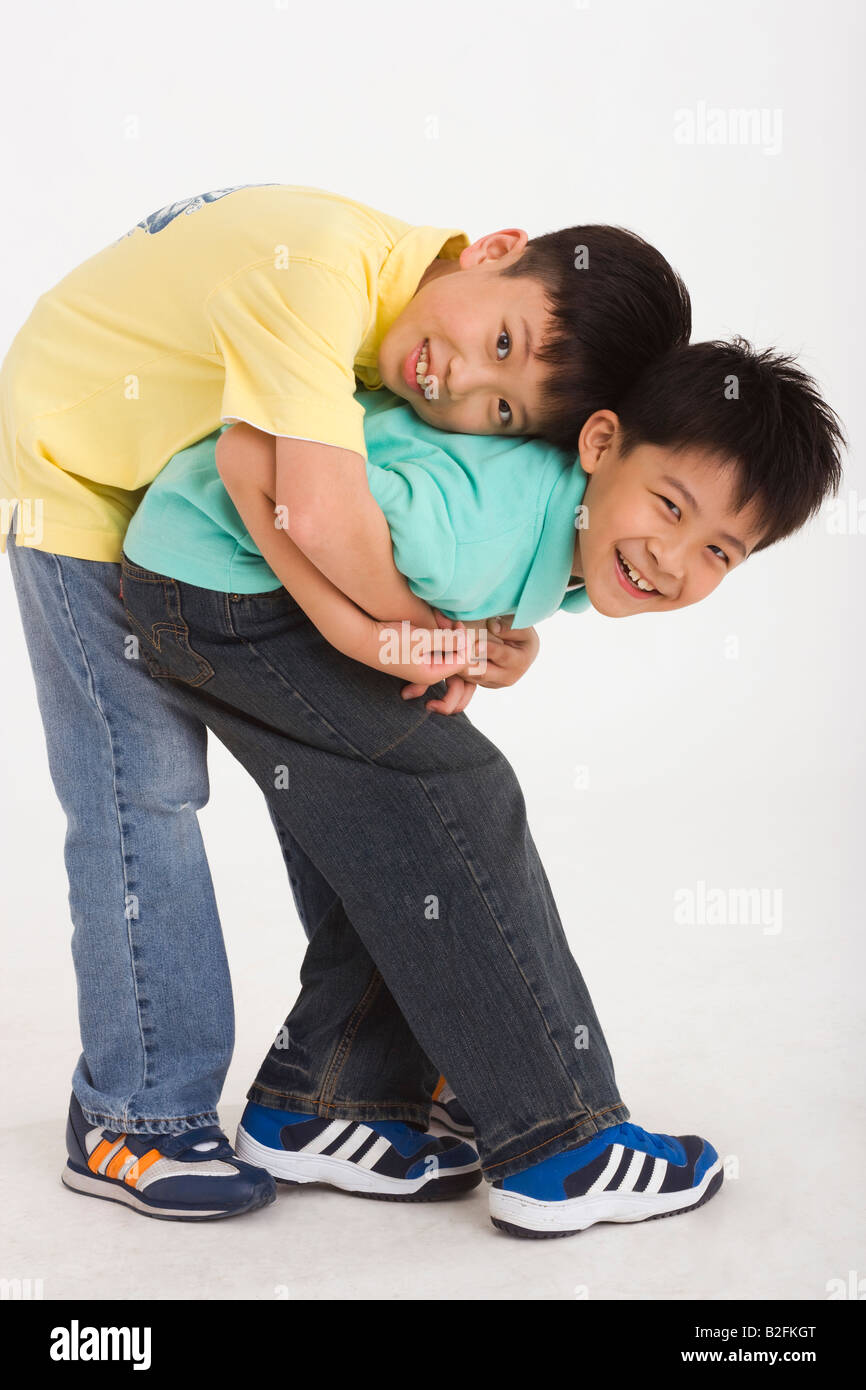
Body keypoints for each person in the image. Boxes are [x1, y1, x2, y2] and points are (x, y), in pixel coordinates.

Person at [1, 181, 695, 1227]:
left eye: (503, 410)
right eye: (500, 340)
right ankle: (132, 1116)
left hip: (179, 501)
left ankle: (333, 1093)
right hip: (70, 472)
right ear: (493, 246)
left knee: (358, 767)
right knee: (137, 789)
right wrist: (427, 637)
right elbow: (316, 509)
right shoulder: (319, 274)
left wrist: (463, 634)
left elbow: (284, 479)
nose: (462, 381)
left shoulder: (404, 323)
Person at [115, 336, 842, 1236]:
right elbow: (280, 478)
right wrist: (387, 636)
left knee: (400, 823)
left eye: (721, 553)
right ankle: (559, 1141)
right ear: (602, 442)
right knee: (459, 791)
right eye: (669, 505)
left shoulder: (555, 516)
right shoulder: (471, 521)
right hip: (213, 587)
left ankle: (327, 1098)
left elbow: (494, 566)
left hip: (225, 586)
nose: (671, 556)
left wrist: (484, 633)